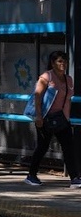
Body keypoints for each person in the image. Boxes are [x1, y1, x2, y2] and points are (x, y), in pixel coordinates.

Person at [25, 50, 81, 187]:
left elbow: (67, 100)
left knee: (68, 147)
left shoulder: (68, 79)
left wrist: (66, 119)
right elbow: (37, 96)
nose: (63, 64)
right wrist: (38, 117)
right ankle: (31, 175)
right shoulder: (46, 77)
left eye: (65, 61)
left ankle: (74, 177)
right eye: (60, 61)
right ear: (53, 63)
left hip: (60, 118)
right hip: (45, 117)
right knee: (42, 147)